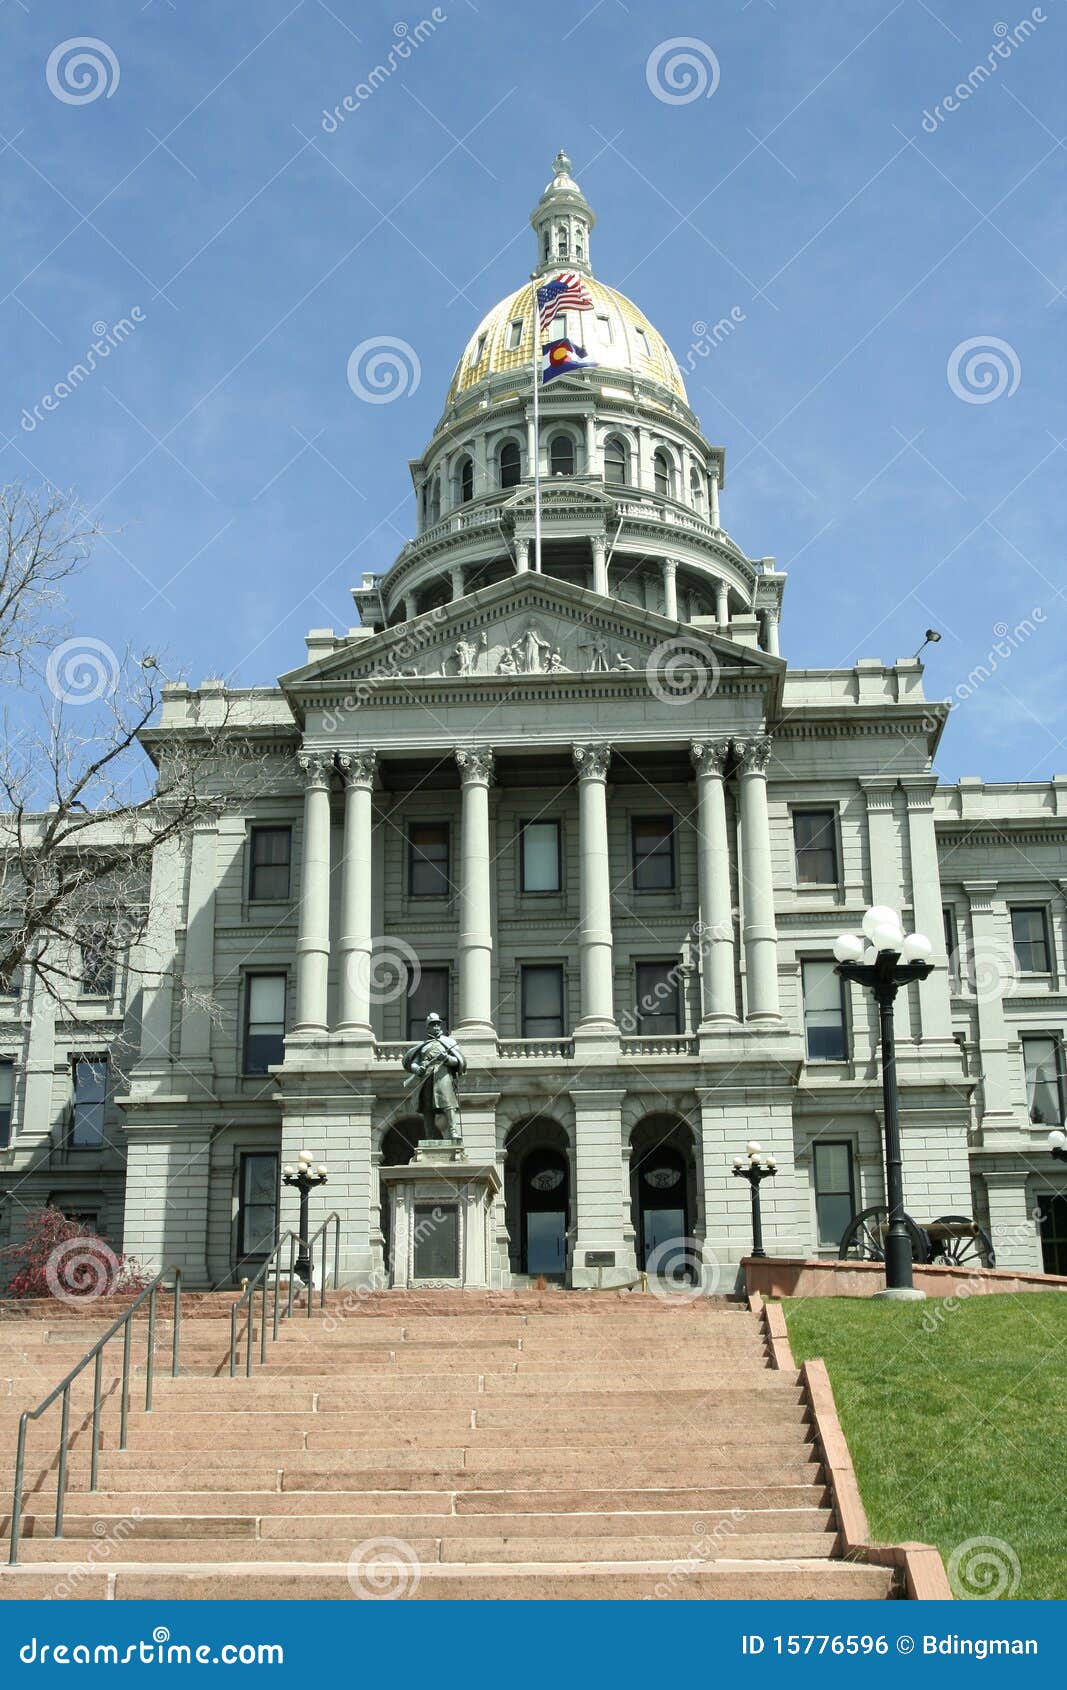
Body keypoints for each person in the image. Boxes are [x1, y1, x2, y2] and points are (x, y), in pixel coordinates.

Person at [402, 1012, 466, 1140]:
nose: (436, 1027)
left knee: (448, 1104)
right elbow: (413, 1063)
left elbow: (458, 1061)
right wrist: (418, 1069)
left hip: (443, 1076)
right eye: (433, 1024)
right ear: (428, 1027)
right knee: (427, 1109)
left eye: (438, 1024)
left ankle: (453, 1132)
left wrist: (446, 1058)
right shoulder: (424, 1046)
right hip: (426, 1078)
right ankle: (429, 1136)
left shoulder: (449, 1042)